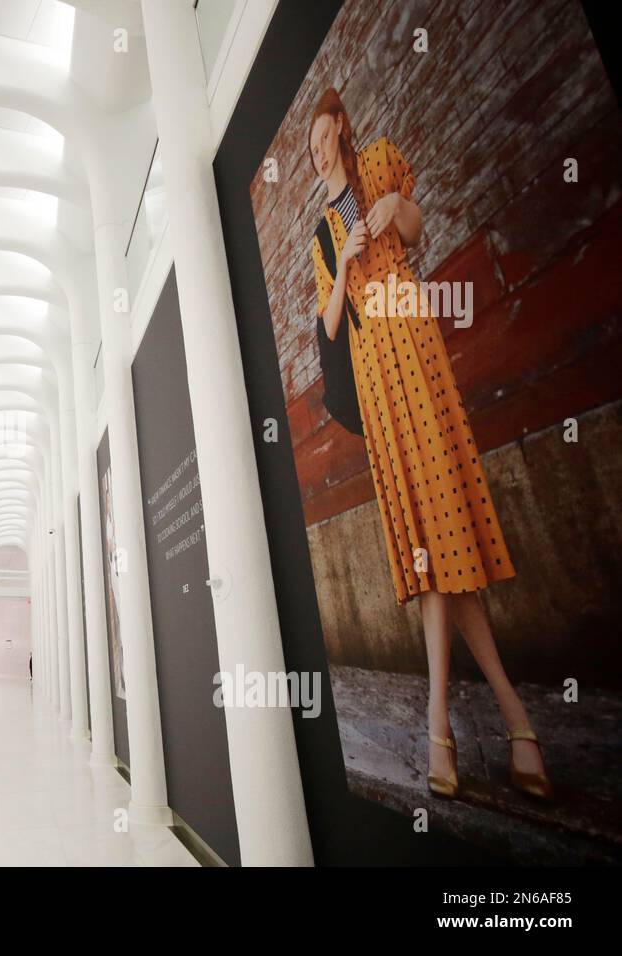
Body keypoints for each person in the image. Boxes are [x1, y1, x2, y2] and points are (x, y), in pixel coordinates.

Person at [307, 87, 551, 802]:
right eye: (313, 149)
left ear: (343, 129)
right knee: (428, 534)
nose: (321, 153)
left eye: (325, 139)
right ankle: (511, 718)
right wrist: (348, 258)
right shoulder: (323, 230)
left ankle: (441, 721)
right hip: (372, 369)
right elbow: (327, 325)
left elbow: (415, 230)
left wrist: (391, 212)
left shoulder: (380, 161)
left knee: (440, 517)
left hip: (411, 335)